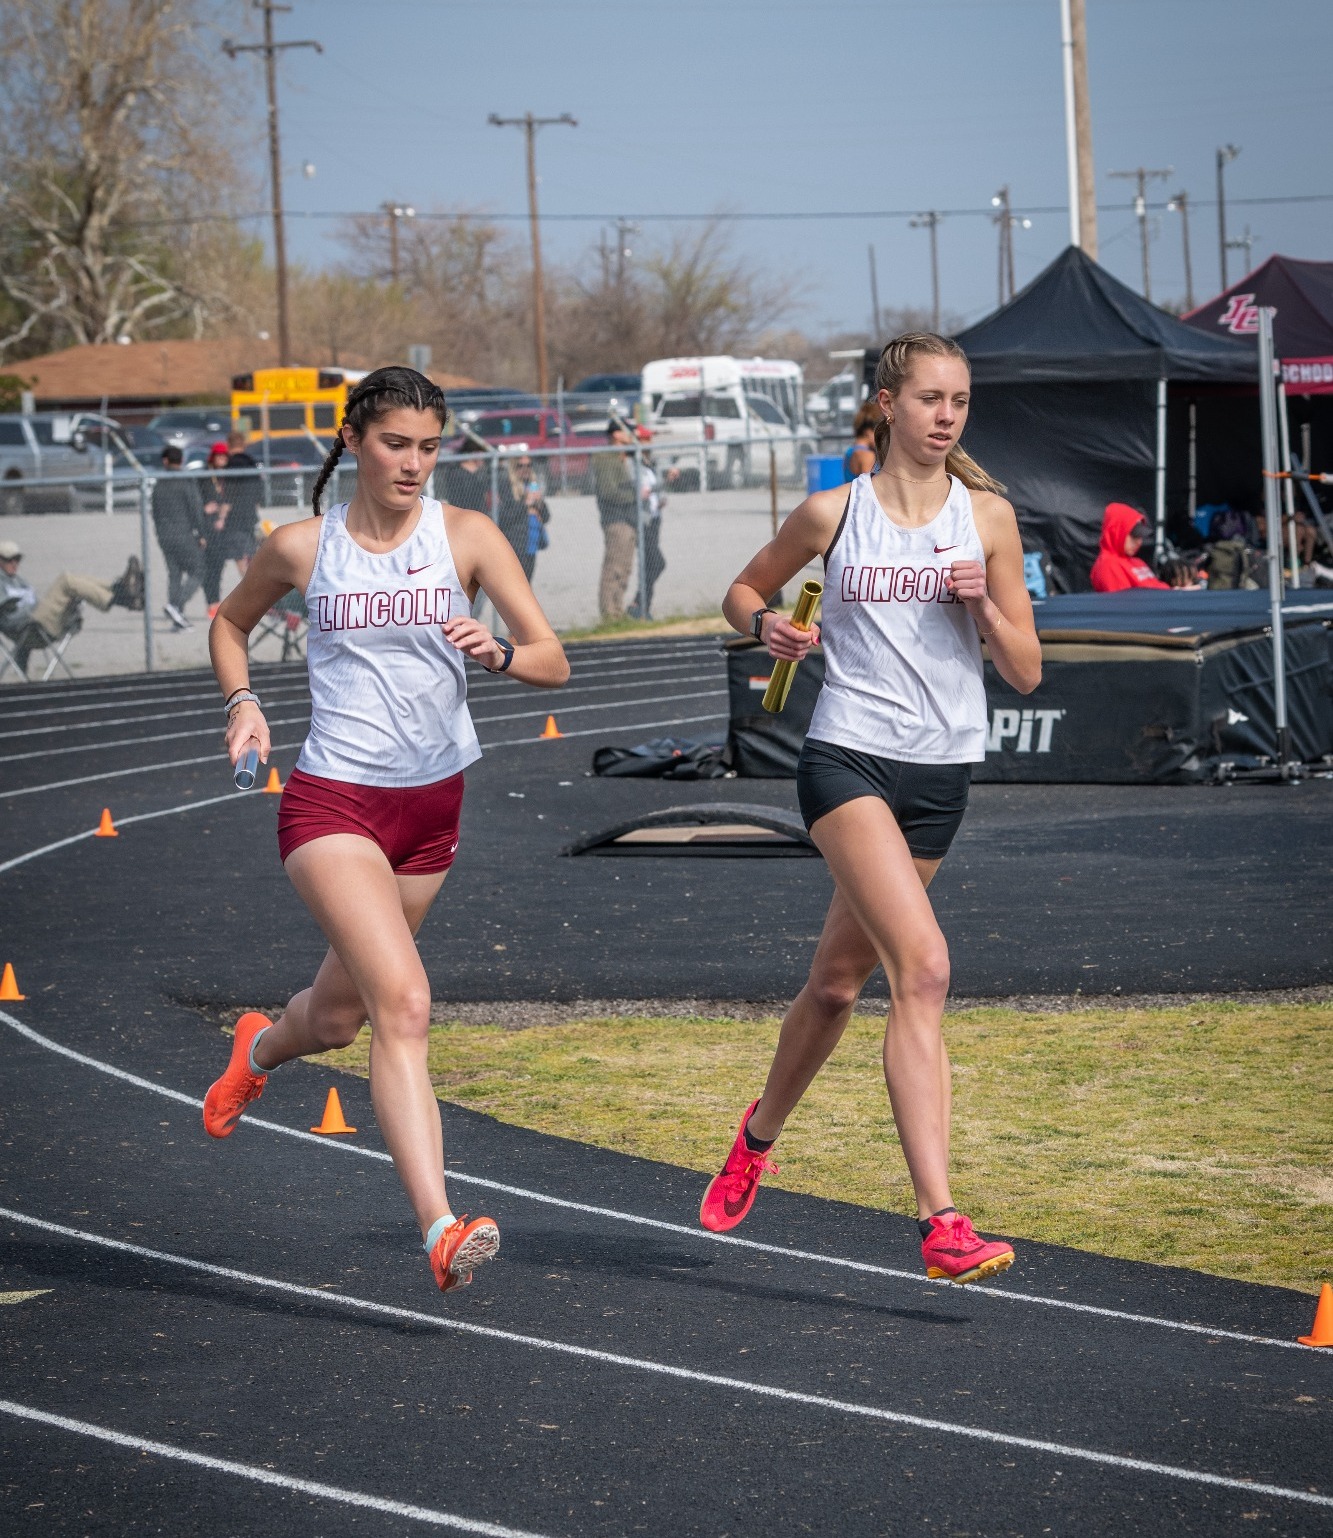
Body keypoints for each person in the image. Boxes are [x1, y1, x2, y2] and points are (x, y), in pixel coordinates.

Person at [203, 366, 569, 1295]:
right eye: (395, 444)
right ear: (354, 441)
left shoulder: (468, 537)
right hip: (333, 803)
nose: (412, 464)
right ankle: (441, 1226)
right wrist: (244, 703)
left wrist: (499, 653)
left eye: (428, 447)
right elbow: (228, 624)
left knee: (333, 1017)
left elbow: (553, 662)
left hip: (431, 808)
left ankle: (258, 1048)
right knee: (402, 1003)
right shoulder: (301, 548)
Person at [699, 332, 1042, 1286]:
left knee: (838, 985)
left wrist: (982, 609)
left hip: (941, 777)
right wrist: (764, 623)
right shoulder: (831, 513)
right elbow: (740, 589)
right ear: (886, 405)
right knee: (923, 968)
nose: (947, 416)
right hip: (847, 760)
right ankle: (941, 1220)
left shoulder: (988, 519)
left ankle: (755, 1138)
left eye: (961, 401)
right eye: (931, 398)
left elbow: (1023, 671)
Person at [0, 539, 144, 676]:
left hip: (39, 623)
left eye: (17, 559)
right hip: (29, 626)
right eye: (8, 559)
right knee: (66, 581)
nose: (14, 563)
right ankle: (122, 596)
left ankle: (118, 589)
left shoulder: (19, 581)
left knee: (74, 581)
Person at [151, 443, 207, 629]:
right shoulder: (186, 482)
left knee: (174, 574)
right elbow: (195, 509)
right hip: (183, 534)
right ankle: (175, 606)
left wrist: (159, 533)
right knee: (198, 570)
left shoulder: (159, 484)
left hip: (164, 536)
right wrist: (201, 533)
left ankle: (177, 616)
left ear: (165, 461)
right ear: (181, 460)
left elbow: (155, 512)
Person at [1090, 503, 1201, 592]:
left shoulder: (1137, 562)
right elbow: (1124, 610)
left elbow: (1155, 588)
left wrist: (1179, 591)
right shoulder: (1108, 565)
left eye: (1140, 536)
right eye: (1134, 536)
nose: (1139, 542)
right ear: (1116, 532)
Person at [593, 419, 639, 620]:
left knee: (625, 568)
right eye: (629, 431)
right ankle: (609, 613)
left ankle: (617, 611)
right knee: (614, 568)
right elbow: (609, 491)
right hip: (616, 520)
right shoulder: (606, 458)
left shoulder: (627, 457)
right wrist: (635, 495)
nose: (633, 435)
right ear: (617, 434)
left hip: (629, 519)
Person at [626, 426, 665, 620]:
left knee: (651, 565)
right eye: (645, 439)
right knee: (656, 563)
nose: (649, 443)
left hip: (655, 518)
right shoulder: (634, 464)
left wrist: (663, 490)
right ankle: (638, 603)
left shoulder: (651, 463)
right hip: (644, 522)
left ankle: (643, 606)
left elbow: (655, 487)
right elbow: (637, 489)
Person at [495, 451, 549, 581]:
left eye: (528, 465)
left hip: (531, 543)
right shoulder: (507, 486)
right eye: (521, 465)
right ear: (514, 467)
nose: (525, 469)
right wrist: (526, 504)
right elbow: (504, 517)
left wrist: (539, 503)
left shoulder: (532, 485)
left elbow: (547, 517)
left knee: (527, 585)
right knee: (515, 586)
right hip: (515, 544)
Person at [439, 426, 491, 514]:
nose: (484, 458)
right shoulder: (457, 475)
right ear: (475, 453)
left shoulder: (476, 477)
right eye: (483, 453)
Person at [843, 399, 880, 481]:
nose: (881, 438)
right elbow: (868, 488)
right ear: (868, 432)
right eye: (879, 433)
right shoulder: (867, 455)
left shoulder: (850, 451)